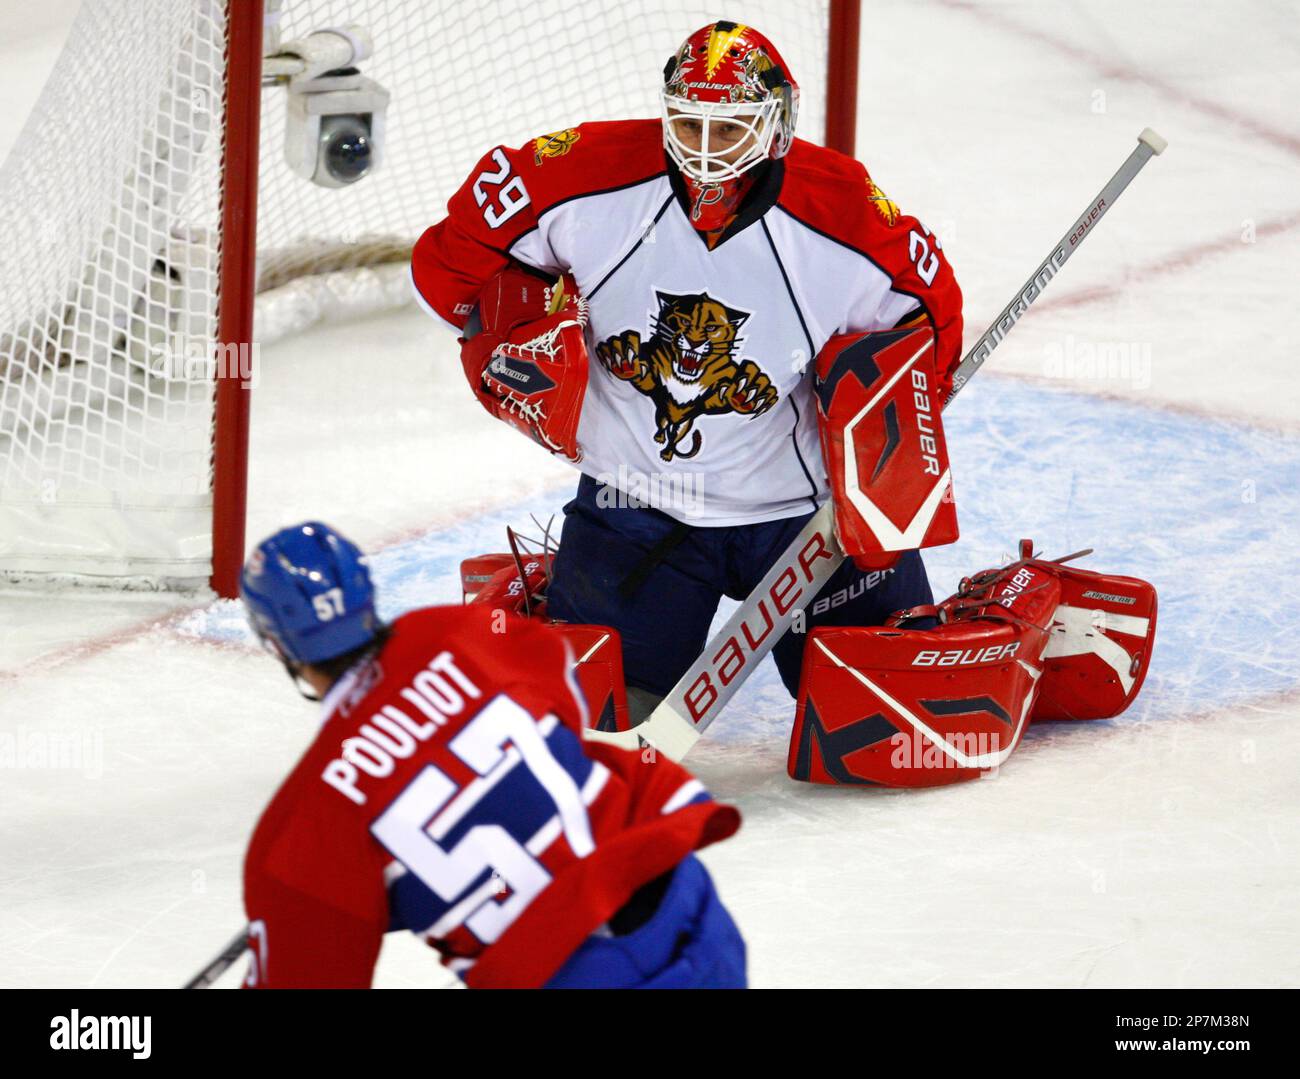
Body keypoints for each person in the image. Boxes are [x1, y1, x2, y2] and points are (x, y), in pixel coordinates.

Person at [411, 21, 964, 721]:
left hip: (806, 522)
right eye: (688, 124)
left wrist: (883, 430)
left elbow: (929, 326)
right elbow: (446, 265)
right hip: (634, 508)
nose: (704, 153)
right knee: (587, 722)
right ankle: (548, 600)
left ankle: (1016, 606)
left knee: (883, 722)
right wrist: (508, 333)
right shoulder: (583, 173)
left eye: (729, 128)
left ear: (779, 124)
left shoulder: (846, 212)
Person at [238, 521, 745, 988]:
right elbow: (565, 704)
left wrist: (344, 899)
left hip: (572, 972)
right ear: (365, 594)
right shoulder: (460, 631)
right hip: (686, 903)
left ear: (277, 645)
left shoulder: (299, 828)